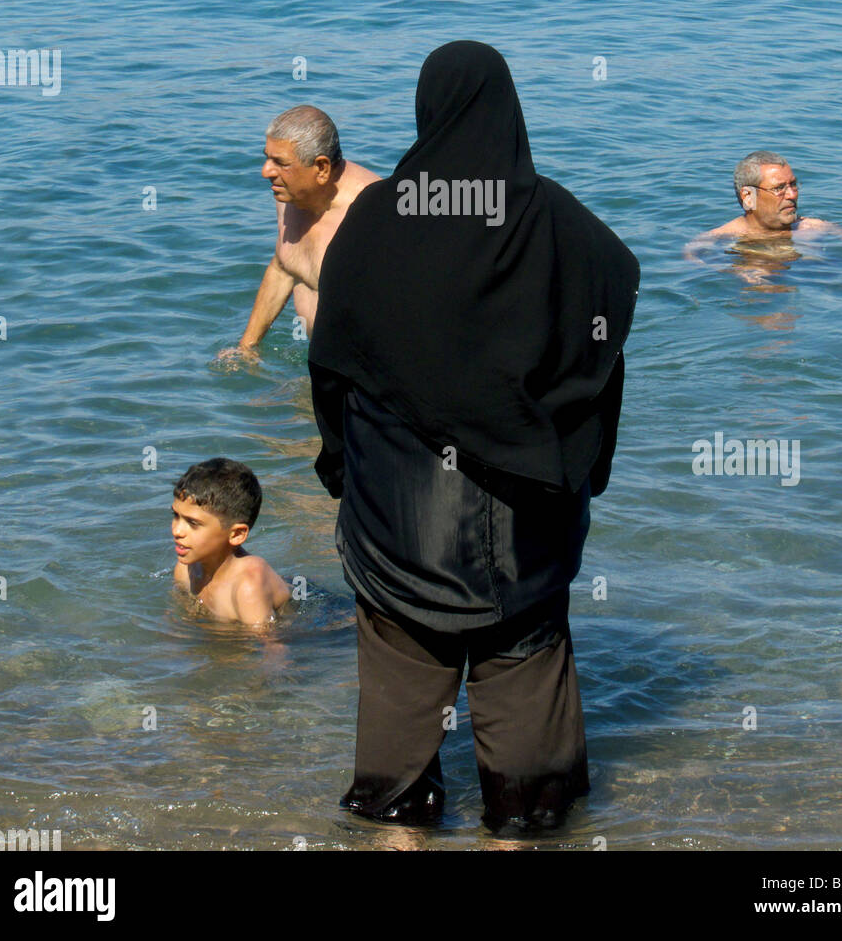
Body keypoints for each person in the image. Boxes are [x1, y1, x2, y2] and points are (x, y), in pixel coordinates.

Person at [307, 41, 640, 832]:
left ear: (428, 111)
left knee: (399, 671)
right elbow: (603, 352)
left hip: (398, 510)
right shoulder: (559, 222)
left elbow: (331, 367)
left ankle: (398, 827)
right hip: (526, 519)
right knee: (523, 670)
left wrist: (340, 470)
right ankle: (520, 830)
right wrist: (580, 469)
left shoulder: (376, 220)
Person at [220, 106, 379, 360]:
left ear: (321, 168)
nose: (266, 171)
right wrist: (246, 347)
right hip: (321, 362)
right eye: (267, 158)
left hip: (363, 372)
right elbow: (283, 267)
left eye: (280, 163)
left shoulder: (371, 213)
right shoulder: (290, 195)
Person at [684, 151, 842, 270]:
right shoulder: (723, 237)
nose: (792, 195)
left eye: (793, 185)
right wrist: (733, 272)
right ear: (747, 196)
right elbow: (691, 258)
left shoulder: (812, 227)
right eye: (779, 188)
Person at [172, 457, 290, 626]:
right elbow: (178, 619)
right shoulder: (185, 568)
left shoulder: (247, 587)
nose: (177, 531)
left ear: (236, 534)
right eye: (176, 516)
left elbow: (273, 647)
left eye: (193, 523)